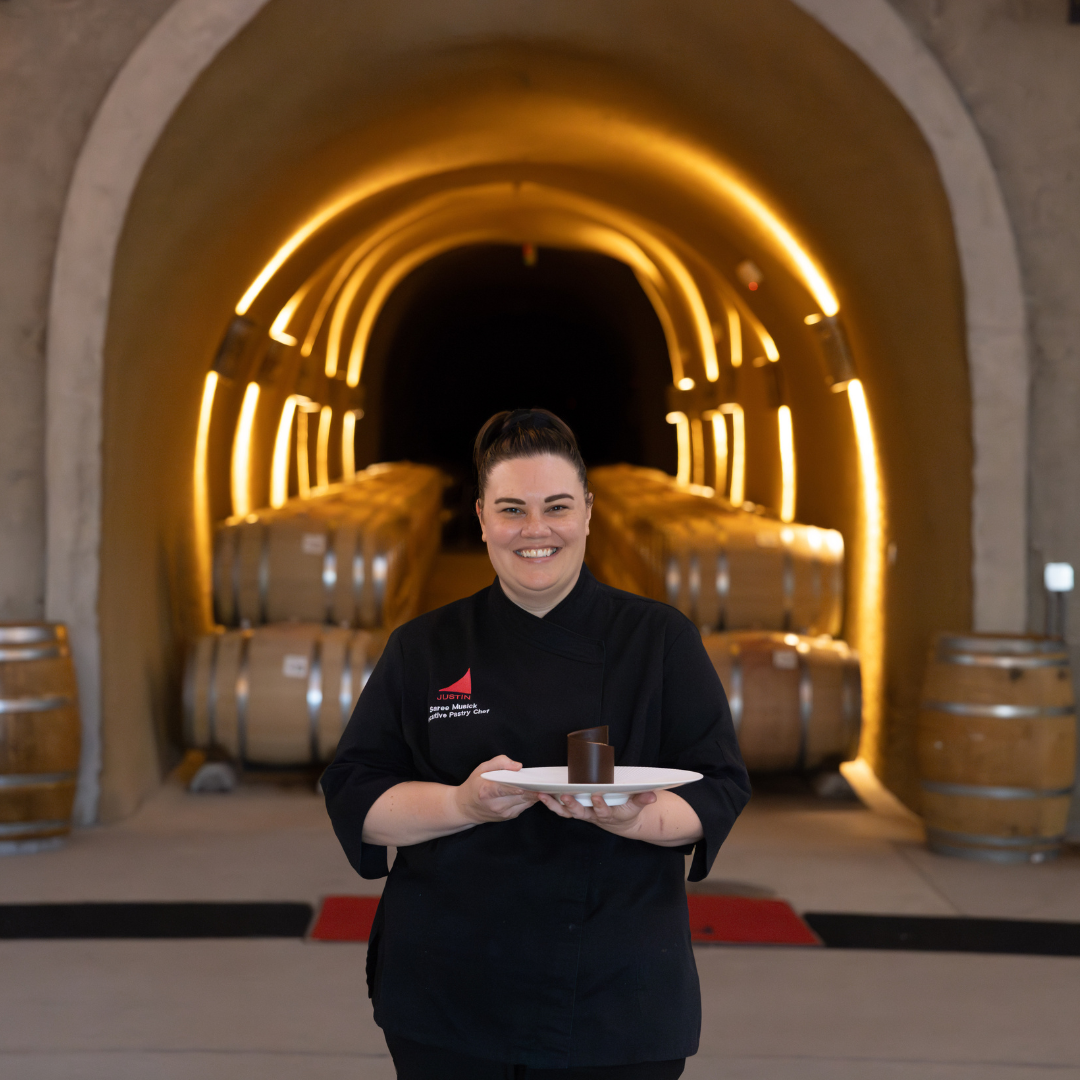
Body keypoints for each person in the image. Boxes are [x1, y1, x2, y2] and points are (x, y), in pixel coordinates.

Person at [323, 408, 750, 1079]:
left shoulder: (658, 640)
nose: (535, 529)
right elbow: (356, 793)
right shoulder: (425, 646)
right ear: (481, 518)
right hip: (449, 988)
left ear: (588, 512)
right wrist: (461, 805)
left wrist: (634, 819)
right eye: (511, 510)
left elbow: (719, 785)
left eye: (556, 507)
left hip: (617, 991)